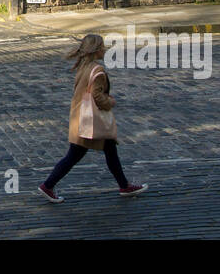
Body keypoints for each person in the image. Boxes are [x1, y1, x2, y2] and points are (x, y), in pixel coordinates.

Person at [38, 33, 146, 202]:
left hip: (80, 118)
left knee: (109, 151)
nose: (105, 49)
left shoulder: (83, 67)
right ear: (96, 50)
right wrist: (109, 102)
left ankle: (124, 185)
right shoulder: (97, 70)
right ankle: (47, 185)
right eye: (102, 46)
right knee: (74, 156)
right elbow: (97, 95)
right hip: (89, 122)